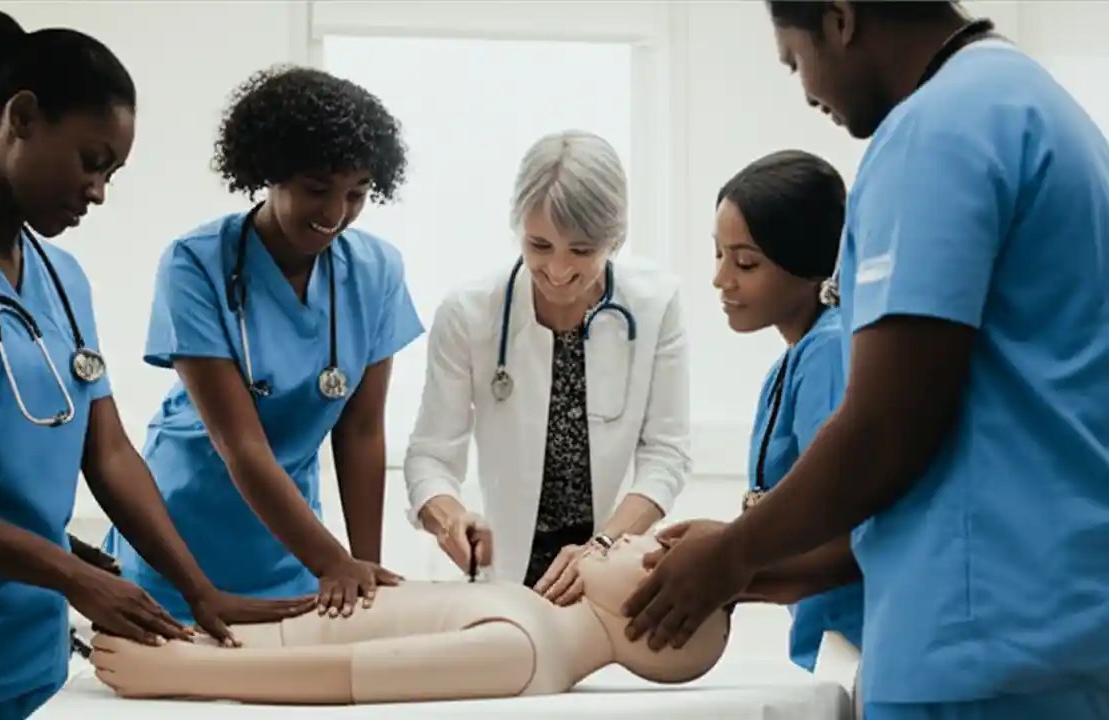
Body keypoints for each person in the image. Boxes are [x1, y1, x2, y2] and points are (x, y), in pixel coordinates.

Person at [624, 2, 1109, 718]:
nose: (805, 88)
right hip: (1062, 626)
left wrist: (733, 556)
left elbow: (887, 426)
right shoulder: (1040, 109)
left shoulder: (934, 132)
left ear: (841, 19)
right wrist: (746, 562)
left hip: (974, 647)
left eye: (796, 60)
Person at [0, 11, 312, 720]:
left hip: (22, 656)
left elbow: (108, 451)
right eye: (92, 160)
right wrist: (68, 574)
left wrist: (197, 587)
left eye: (112, 172)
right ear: (21, 117)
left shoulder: (62, 278)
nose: (99, 191)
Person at [104, 65, 423, 622]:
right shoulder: (196, 263)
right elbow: (241, 446)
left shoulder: (377, 271)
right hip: (182, 541)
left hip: (292, 546)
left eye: (356, 193)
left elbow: (362, 432)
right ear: (270, 172)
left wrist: (361, 568)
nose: (334, 214)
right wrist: (334, 560)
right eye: (315, 189)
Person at [404, 130, 690, 602]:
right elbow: (431, 454)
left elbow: (666, 455)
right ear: (516, 227)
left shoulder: (656, 305)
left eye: (581, 251)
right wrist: (452, 518)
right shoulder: (470, 312)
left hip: (608, 564)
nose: (558, 270)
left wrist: (601, 547)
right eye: (539, 245)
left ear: (615, 237)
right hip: (507, 578)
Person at [90, 535, 729, 704]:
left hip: (234, 654)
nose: (635, 539)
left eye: (657, 560)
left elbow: (345, 676)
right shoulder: (539, 622)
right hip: (239, 634)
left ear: (653, 619)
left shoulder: (525, 650)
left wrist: (189, 671)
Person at [704, 149, 862, 672]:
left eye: (745, 262)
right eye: (719, 254)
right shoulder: (789, 364)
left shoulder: (827, 353)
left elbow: (847, 532)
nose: (721, 279)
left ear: (806, 264)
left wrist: (723, 567)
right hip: (822, 639)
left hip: (857, 640)